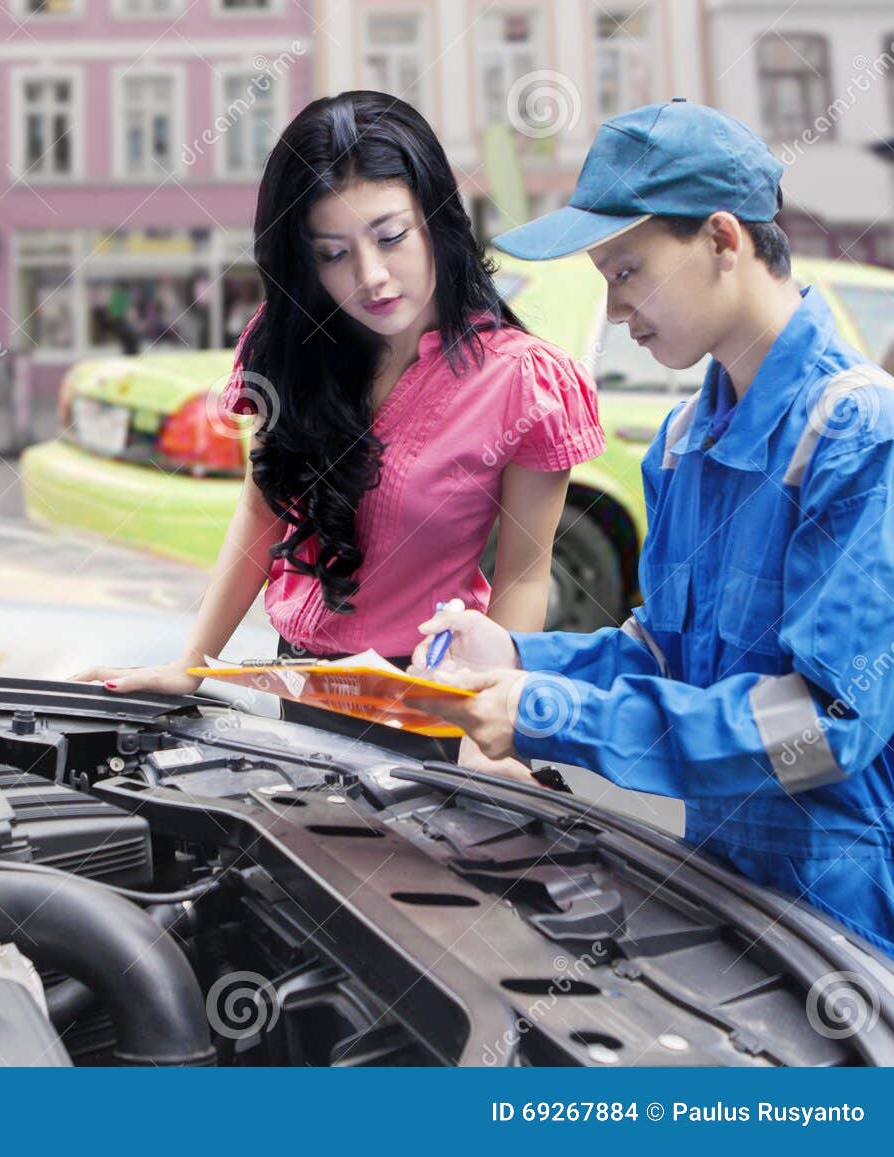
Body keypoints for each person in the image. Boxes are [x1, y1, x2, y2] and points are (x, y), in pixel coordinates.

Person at [414, 99, 894, 955]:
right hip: (718, 885)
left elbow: (819, 729)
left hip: (844, 911)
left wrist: (550, 711)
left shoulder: (860, 435)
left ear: (721, 239)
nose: (614, 308)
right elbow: (665, 655)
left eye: (626, 270)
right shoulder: (678, 447)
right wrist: (517, 657)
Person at [71, 91, 605, 772]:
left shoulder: (523, 380)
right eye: (332, 253)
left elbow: (523, 580)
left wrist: (484, 732)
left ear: (435, 219)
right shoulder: (288, 344)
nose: (370, 278)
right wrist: (192, 665)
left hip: (431, 705)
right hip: (296, 693)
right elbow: (260, 511)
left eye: (390, 237)